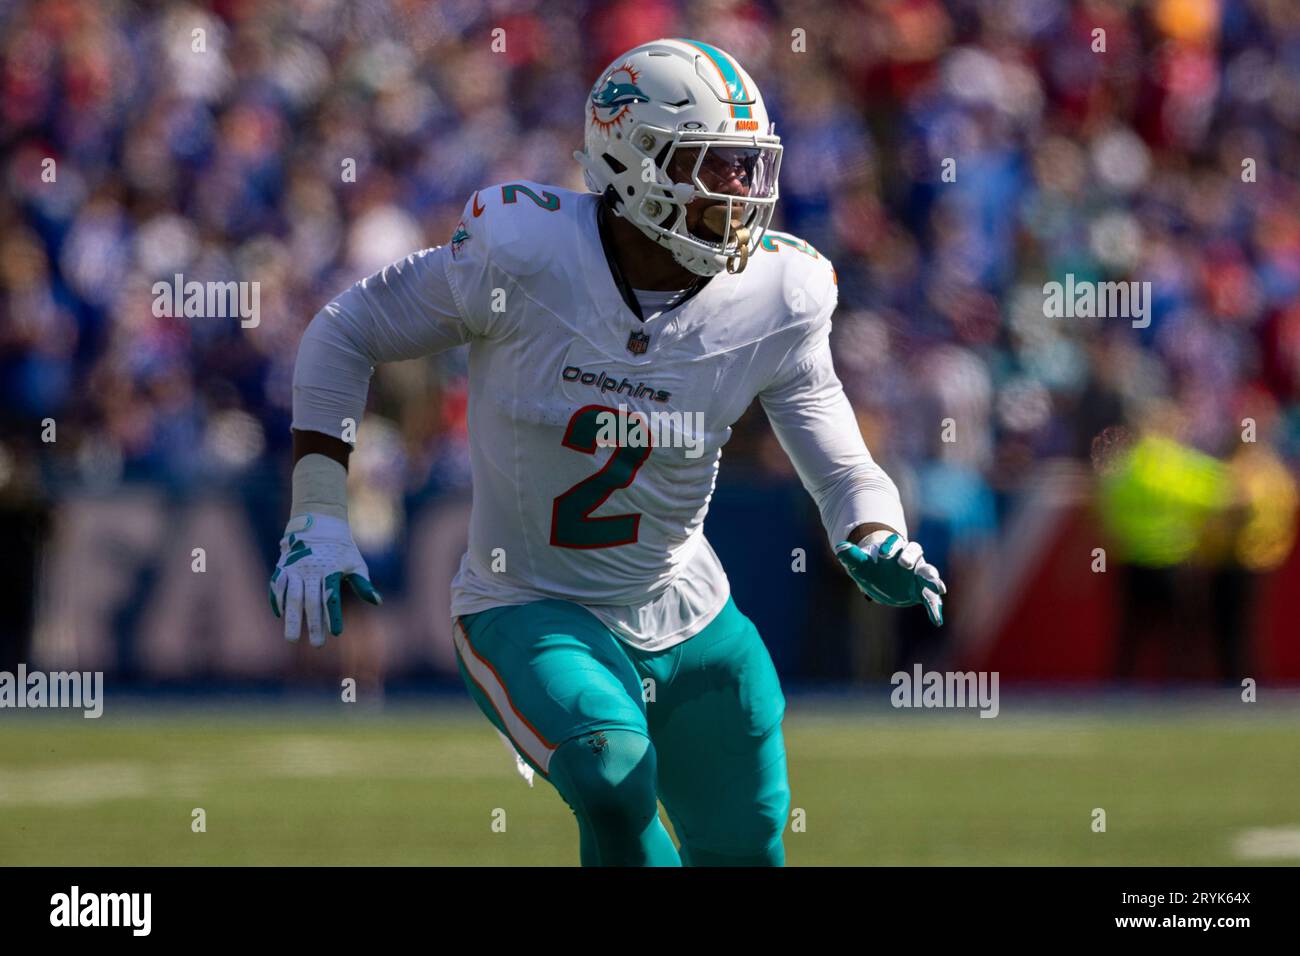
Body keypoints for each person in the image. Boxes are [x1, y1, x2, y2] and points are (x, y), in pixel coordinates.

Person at [269, 38, 946, 866]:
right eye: (714, 165)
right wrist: (318, 512)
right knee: (610, 773)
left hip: (690, 613)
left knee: (749, 847)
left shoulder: (779, 294)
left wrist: (872, 529)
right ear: (635, 163)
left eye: (748, 166)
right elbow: (347, 331)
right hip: (527, 601)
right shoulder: (521, 254)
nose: (743, 192)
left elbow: (837, 453)